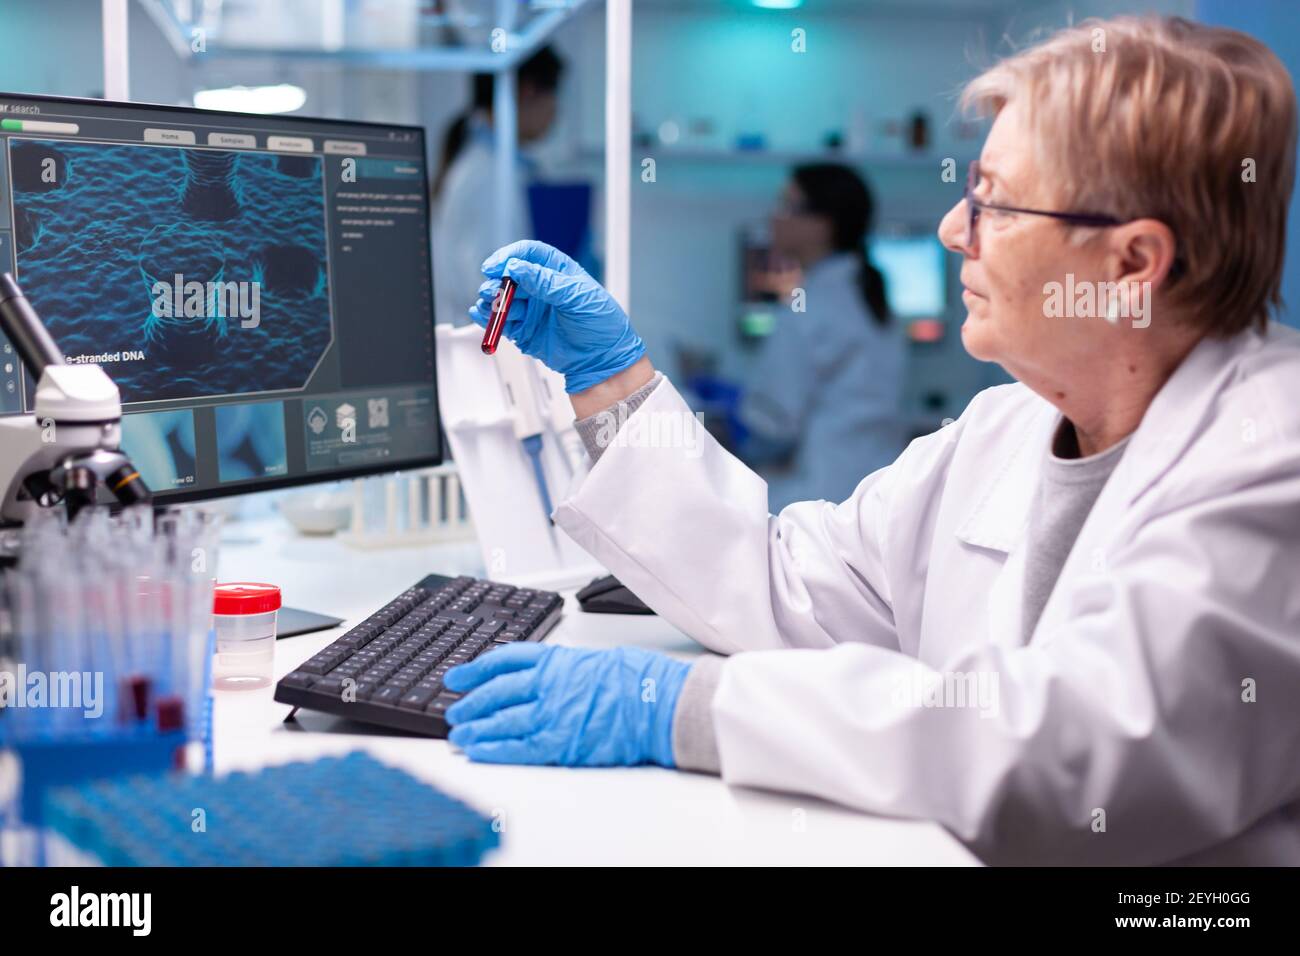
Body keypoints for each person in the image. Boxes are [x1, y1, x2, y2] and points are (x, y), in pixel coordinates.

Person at [448, 17, 1300, 866]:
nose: (952, 231)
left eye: (994, 202)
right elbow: (784, 587)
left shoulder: (1270, 456)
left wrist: (689, 709)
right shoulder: (1005, 427)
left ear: (1131, 263)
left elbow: (1074, 751)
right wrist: (613, 381)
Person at [719, 164, 905, 509]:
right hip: (877, 492)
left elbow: (772, 430)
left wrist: (729, 419)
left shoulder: (807, 308)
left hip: (819, 497)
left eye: (787, 206)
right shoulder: (874, 299)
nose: (774, 217)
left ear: (823, 224)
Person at [431, 46, 564, 327]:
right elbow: (489, 288)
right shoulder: (487, 176)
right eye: (555, 96)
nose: (556, 111)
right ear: (529, 92)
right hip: (485, 352)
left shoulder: (492, 167)